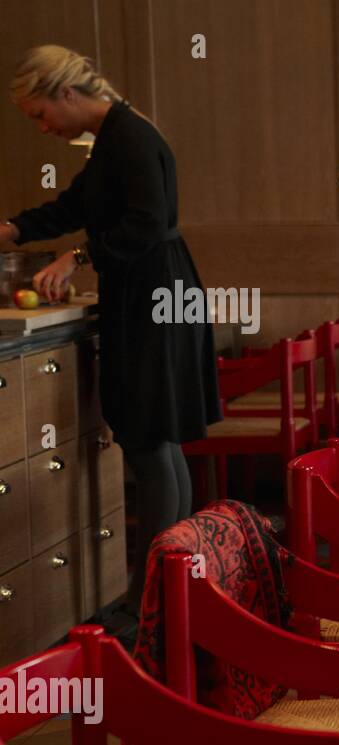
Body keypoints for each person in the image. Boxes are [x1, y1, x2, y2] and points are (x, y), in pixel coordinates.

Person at [2, 45, 220, 616]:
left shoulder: (129, 136)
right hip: (154, 289)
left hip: (153, 293)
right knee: (158, 441)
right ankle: (171, 584)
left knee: (151, 441)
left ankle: (158, 593)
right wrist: (15, 228)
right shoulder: (116, 135)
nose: (44, 126)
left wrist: (76, 256)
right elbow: (80, 204)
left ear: (66, 94)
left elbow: (145, 223)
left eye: (40, 113)